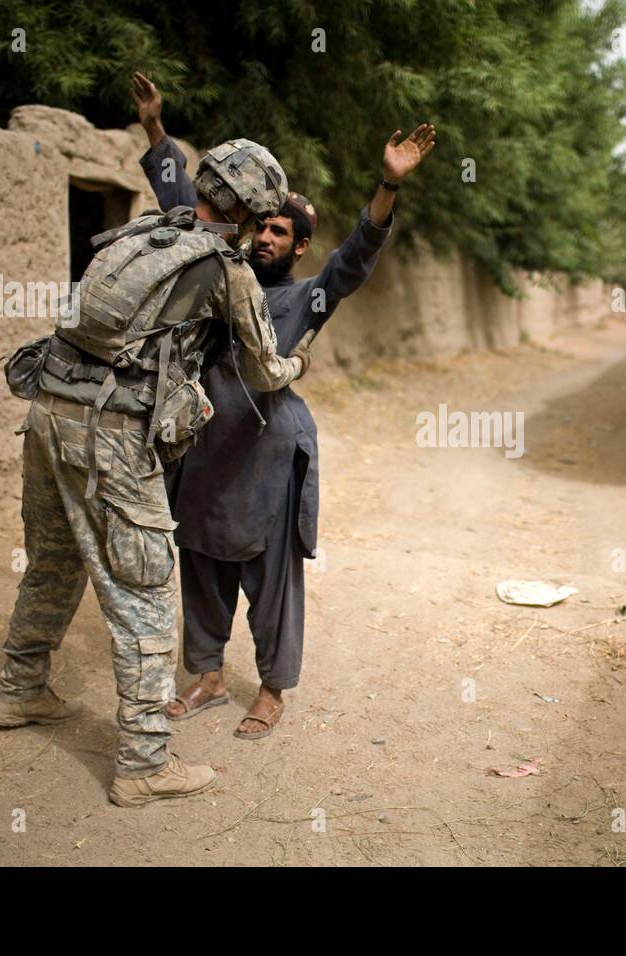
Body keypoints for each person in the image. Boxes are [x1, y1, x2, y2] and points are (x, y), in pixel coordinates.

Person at [0, 135, 310, 806]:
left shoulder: (137, 235)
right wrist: (297, 367)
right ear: (252, 212)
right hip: (110, 432)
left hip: (48, 410)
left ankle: (18, 691)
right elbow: (261, 368)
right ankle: (141, 763)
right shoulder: (228, 270)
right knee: (146, 590)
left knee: (53, 559)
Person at [130, 72, 435, 739]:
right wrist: (156, 128)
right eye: (260, 225)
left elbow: (354, 260)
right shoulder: (218, 271)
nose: (264, 237)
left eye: (279, 232)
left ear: (299, 247)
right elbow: (186, 202)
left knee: (271, 579)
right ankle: (208, 676)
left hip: (266, 455)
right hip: (205, 450)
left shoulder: (306, 300)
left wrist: (389, 184)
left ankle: (270, 690)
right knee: (201, 564)